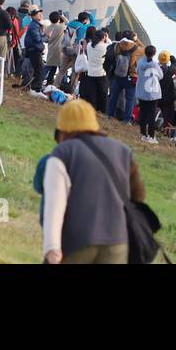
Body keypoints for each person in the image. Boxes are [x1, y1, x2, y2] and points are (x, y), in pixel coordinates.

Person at [42, 99, 148, 264]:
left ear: (62, 130)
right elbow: (139, 196)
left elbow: (55, 205)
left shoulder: (63, 153)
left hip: (77, 241)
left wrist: (52, 247)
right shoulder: (123, 151)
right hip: (117, 241)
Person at [106, 30, 141, 123]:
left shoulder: (118, 45)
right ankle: (127, 119)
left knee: (113, 96)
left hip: (118, 74)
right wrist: (137, 40)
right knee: (130, 98)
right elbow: (146, 50)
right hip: (131, 76)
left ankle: (110, 114)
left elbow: (111, 57)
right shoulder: (136, 48)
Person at [135, 45, 162, 143]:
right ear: (154, 54)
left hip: (142, 91)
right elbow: (161, 75)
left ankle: (143, 134)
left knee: (142, 113)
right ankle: (151, 136)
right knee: (151, 115)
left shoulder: (139, 62)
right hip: (153, 92)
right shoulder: (155, 64)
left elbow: (137, 71)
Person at [80, 29, 109, 113]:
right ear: (103, 37)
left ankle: (92, 109)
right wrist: (107, 40)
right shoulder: (105, 46)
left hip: (90, 73)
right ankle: (102, 110)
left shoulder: (89, 45)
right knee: (102, 94)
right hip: (101, 73)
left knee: (92, 94)